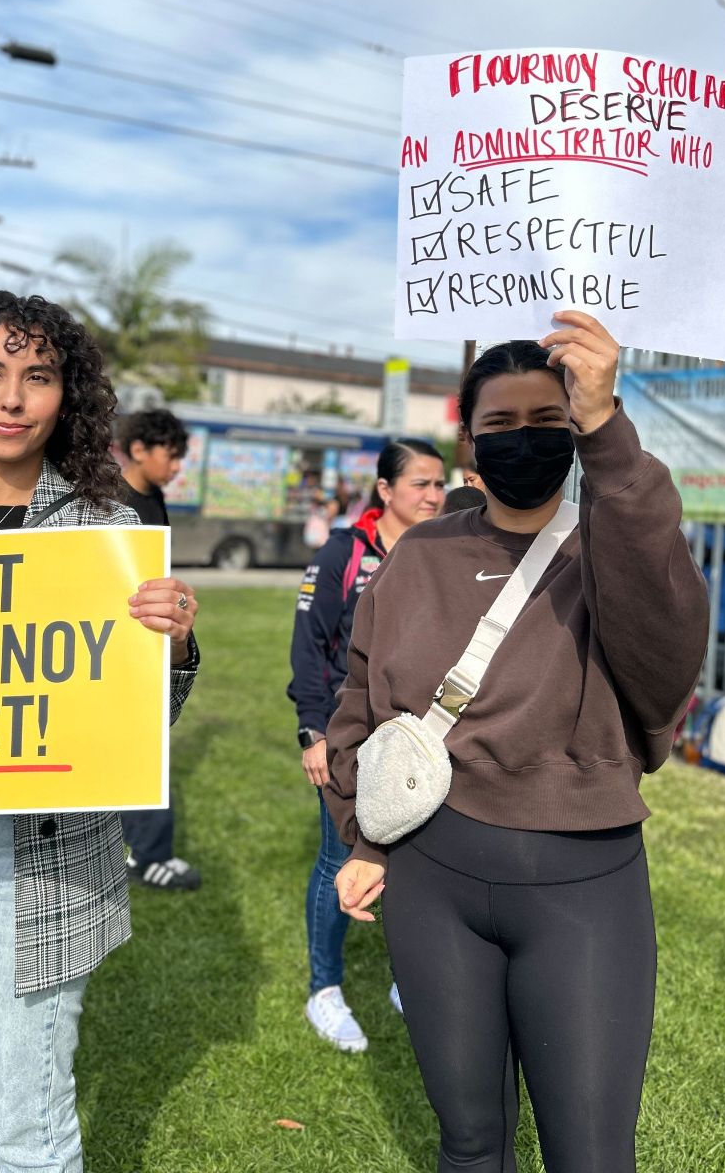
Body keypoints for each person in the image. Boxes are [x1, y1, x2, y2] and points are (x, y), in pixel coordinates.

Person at [324, 312, 709, 1172]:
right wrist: (364, 835)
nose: (524, 439)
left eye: (548, 420)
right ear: (469, 441)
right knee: (468, 1141)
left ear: (576, 430)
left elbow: (668, 653)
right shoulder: (419, 556)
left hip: (583, 883)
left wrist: (606, 426)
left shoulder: (615, 546)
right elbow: (362, 702)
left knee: (591, 1153)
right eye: (500, 423)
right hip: (433, 879)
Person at [0, 291, 199, 1173]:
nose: (12, 399)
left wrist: (171, 647)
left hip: (38, 852)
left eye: (39, 376)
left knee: (28, 1122)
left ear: (69, 396)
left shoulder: (108, 531)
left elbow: (139, 725)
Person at [288, 438, 445, 1052]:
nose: (432, 495)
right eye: (419, 484)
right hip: (347, 736)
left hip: (422, 741)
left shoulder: (445, 547)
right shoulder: (344, 552)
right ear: (385, 489)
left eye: (439, 484)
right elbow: (309, 647)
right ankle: (324, 989)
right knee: (340, 859)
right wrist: (314, 731)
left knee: (420, 863)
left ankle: (408, 977)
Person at [117, 409, 201, 890]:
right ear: (138, 450)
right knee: (143, 752)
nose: (175, 467)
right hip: (117, 646)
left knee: (145, 749)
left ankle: (141, 852)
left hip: (151, 643)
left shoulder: (156, 499)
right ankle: (149, 857)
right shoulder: (110, 500)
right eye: (170, 456)